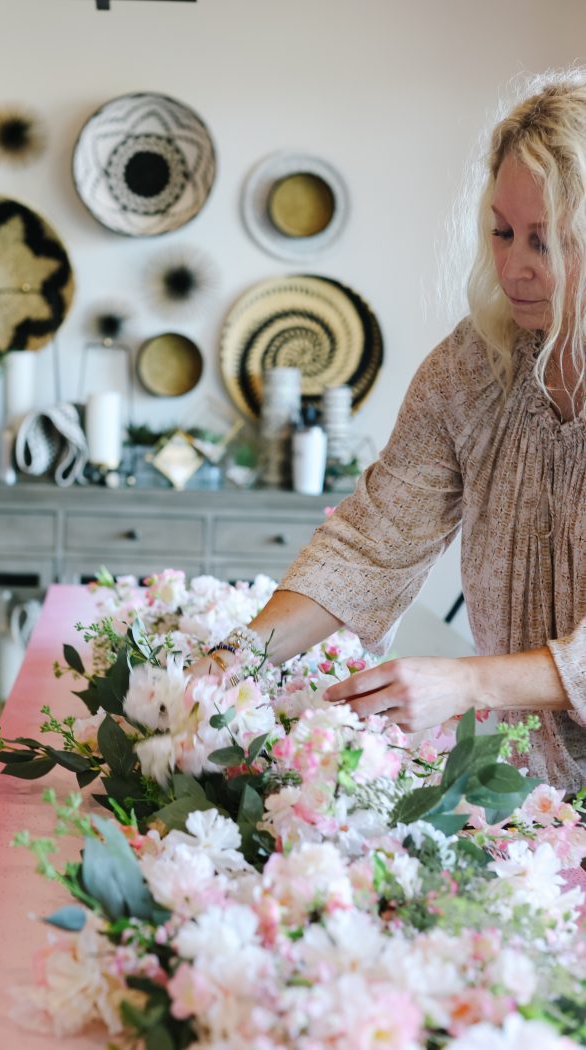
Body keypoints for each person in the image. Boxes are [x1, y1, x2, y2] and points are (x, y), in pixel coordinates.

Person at [202, 72, 586, 793]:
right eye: (502, 232)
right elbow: (375, 541)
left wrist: (467, 682)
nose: (513, 267)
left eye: (547, 241)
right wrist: (239, 658)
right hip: (526, 792)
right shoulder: (475, 367)